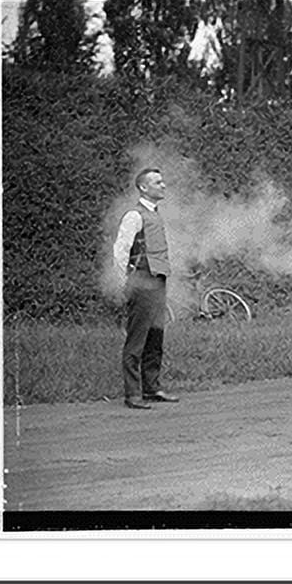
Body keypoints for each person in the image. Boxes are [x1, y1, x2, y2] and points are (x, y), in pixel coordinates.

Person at [112, 168, 180, 410]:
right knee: (137, 338)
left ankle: (152, 388)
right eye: (157, 182)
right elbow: (121, 251)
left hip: (158, 279)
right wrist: (123, 283)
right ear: (143, 187)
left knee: (155, 336)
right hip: (141, 281)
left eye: (162, 181)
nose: (163, 185)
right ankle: (133, 394)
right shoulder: (134, 215)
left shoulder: (156, 214)